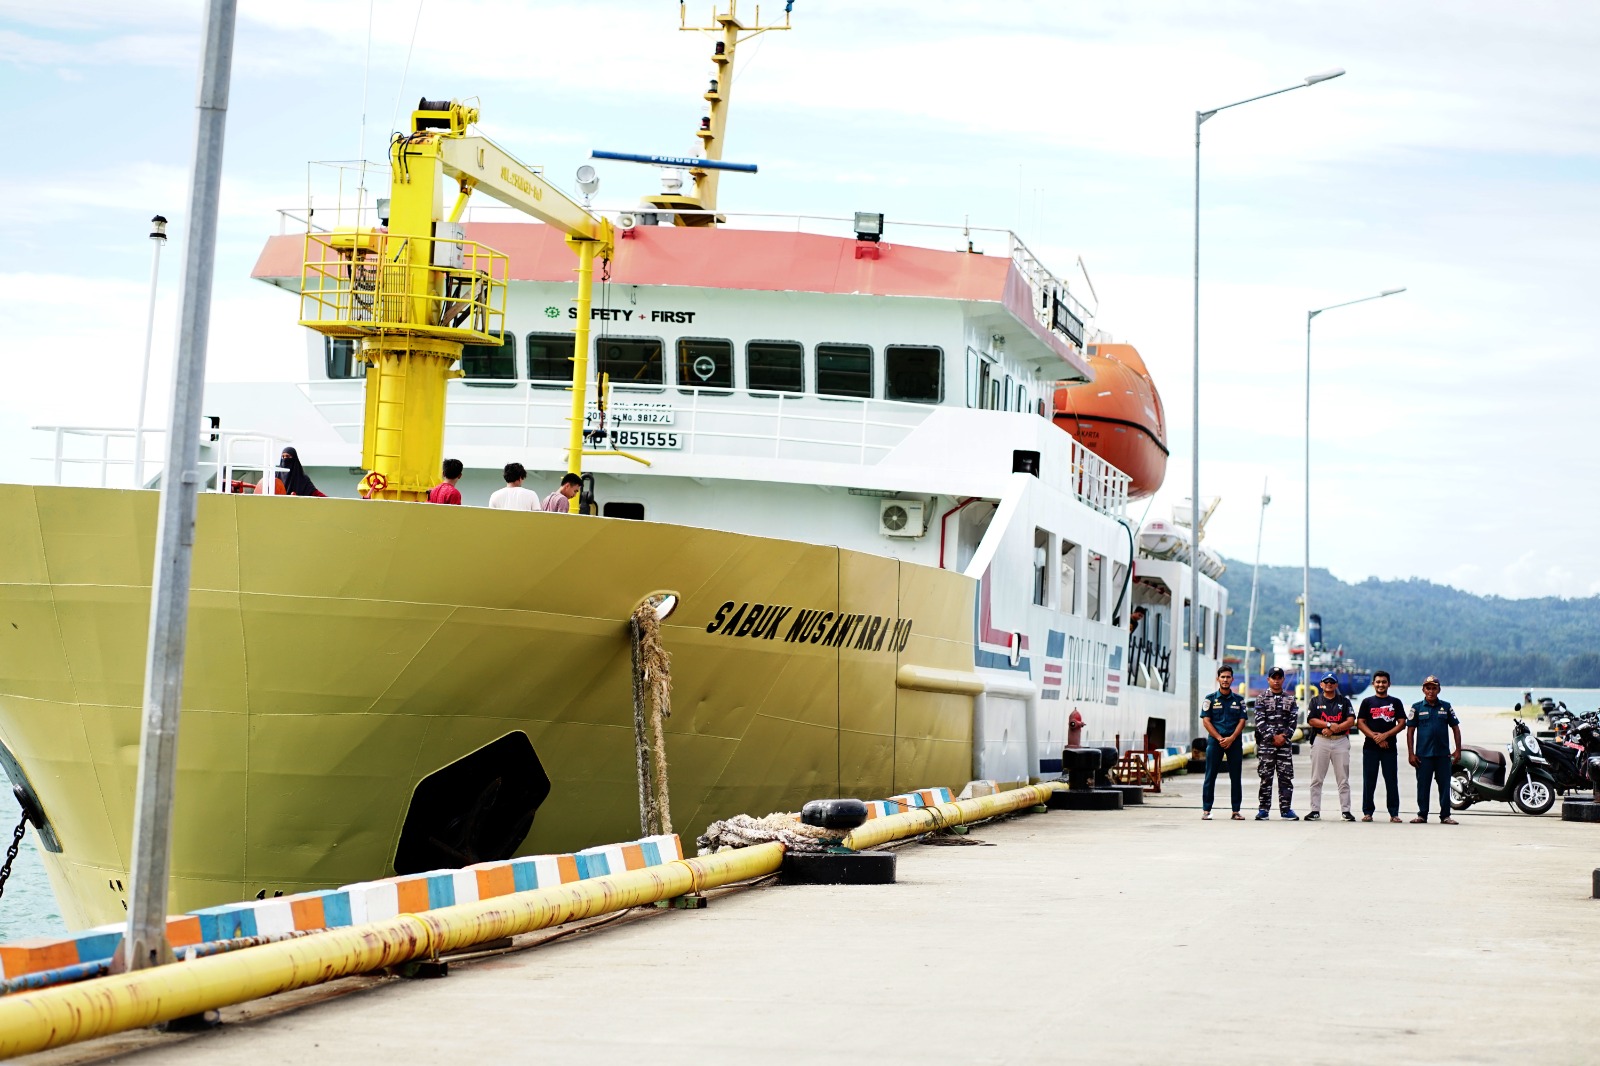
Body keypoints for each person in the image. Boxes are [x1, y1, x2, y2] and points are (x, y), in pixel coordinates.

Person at [1407, 676, 1462, 824]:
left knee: (1444, 786)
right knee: (1423, 786)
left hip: (1443, 755)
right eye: (1428, 688)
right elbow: (1410, 731)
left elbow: (1455, 728)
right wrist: (1411, 754)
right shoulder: (1417, 707)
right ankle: (1422, 815)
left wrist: (1458, 750)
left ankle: (1445, 816)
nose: (1431, 691)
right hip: (1423, 756)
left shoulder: (1446, 706)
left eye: (1434, 688)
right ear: (1423, 689)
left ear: (1439, 689)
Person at [1357, 669, 1407, 822]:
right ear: (1373, 684)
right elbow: (1360, 723)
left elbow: (1402, 723)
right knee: (1369, 780)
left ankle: (1394, 813)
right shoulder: (1367, 702)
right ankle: (1368, 812)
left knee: (1391, 780)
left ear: (1389, 684)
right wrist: (1375, 737)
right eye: (1378, 682)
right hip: (1370, 748)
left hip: (1389, 748)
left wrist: (1386, 735)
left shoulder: (1395, 702)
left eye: (1384, 682)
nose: (1381, 684)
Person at [1305, 672, 1356, 821]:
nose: (1329, 684)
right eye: (1326, 682)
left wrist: (1336, 728)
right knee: (1316, 778)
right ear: (1321, 684)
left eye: (1332, 682)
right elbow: (1311, 720)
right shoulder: (1315, 701)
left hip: (1340, 740)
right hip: (1321, 740)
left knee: (1343, 779)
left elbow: (1351, 720)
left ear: (1336, 685)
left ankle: (1346, 811)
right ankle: (1315, 810)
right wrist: (1328, 725)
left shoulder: (1344, 701)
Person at [1200, 665, 1247, 820]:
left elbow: (1242, 721)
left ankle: (1236, 811)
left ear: (1232, 679)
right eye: (1223, 677)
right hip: (1216, 741)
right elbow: (1206, 721)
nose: (1225, 680)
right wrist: (1220, 738)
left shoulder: (1239, 700)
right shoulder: (1210, 699)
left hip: (1234, 741)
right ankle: (1206, 810)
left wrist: (1232, 738)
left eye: (1228, 677)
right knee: (1210, 775)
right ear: (1218, 679)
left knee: (1235, 776)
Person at [1253, 666, 1299, 820]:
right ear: (1268, 680)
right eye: (1274, 677)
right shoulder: (1261, 699)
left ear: (1283, 680)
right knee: (1266, 777)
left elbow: (1293, 722)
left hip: (1284, 746)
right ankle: (1263, 810)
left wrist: (1283, 737)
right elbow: (1259, 722)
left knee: (1285, 778)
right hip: (1267, 745)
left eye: (1279, 678)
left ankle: (1286, 810)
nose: (1276, 681)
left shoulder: (1290, 699)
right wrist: (1273, 737)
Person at [256, 446, 325, 497]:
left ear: (294, 459)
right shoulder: (275, 476)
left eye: (288, 456)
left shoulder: (303, 479)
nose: (285, 459)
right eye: (283, 457)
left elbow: (315, 493)